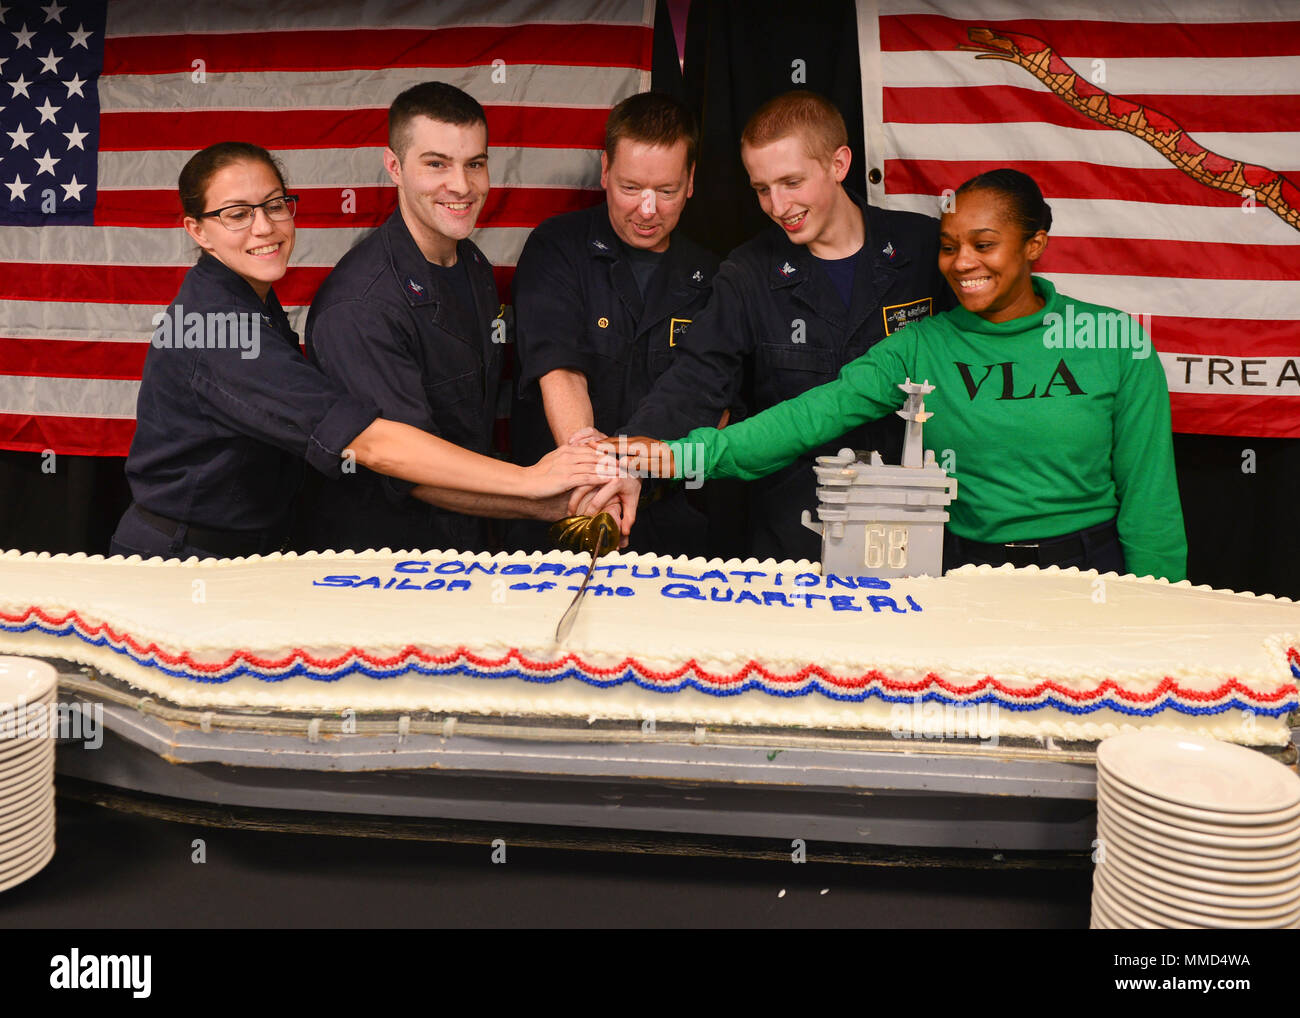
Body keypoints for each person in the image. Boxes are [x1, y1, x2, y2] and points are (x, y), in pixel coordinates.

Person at [609, 169, 1188, 581]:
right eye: (949, 246)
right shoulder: (918, 346)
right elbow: (809, 417)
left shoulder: (1114, 342)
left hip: (1087, 570)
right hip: (963, 570)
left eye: (984, 244)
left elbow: (1150, 498)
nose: (962, 263)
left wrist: (1159, 607)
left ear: (1035, 244)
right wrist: (682, 455)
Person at [111, 141, 623, 562]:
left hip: (248, 551)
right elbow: (370, 444)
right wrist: (532, 480)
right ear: (197, 231)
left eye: (273, 205)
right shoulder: (216, 326)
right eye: (236, 215)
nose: (264, 227)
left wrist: (543, 504)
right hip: (183, 560)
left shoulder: (245, 299)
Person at [294, 82, 638, 554]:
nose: (461, 185)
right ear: (394, 167)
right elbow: (407, 468)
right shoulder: (359, 305)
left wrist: (566, 493)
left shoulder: (472, 264)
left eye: (475, 163)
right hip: (380, 561)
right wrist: (541, 495)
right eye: (436, 164)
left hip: (467, 544)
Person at [615, 90, 952, 562]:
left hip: (914, 523)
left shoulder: (923, 248)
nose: (778, 205)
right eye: (761, 189)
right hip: (794, 534)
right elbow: (697, 379)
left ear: (839, 163)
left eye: (792, 182)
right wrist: (632, 457)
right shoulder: (748, 272)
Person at [509, 92, 720, 556]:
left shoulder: (713, 277)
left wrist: (633, 471)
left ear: (690, 182)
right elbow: (558, 369)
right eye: (630, 188)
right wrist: (597, 477)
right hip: (566, 509)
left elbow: (705, 397)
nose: (648, 209)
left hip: (667, 522)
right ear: (605, 171)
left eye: (665, 191)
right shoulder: (556, 248)